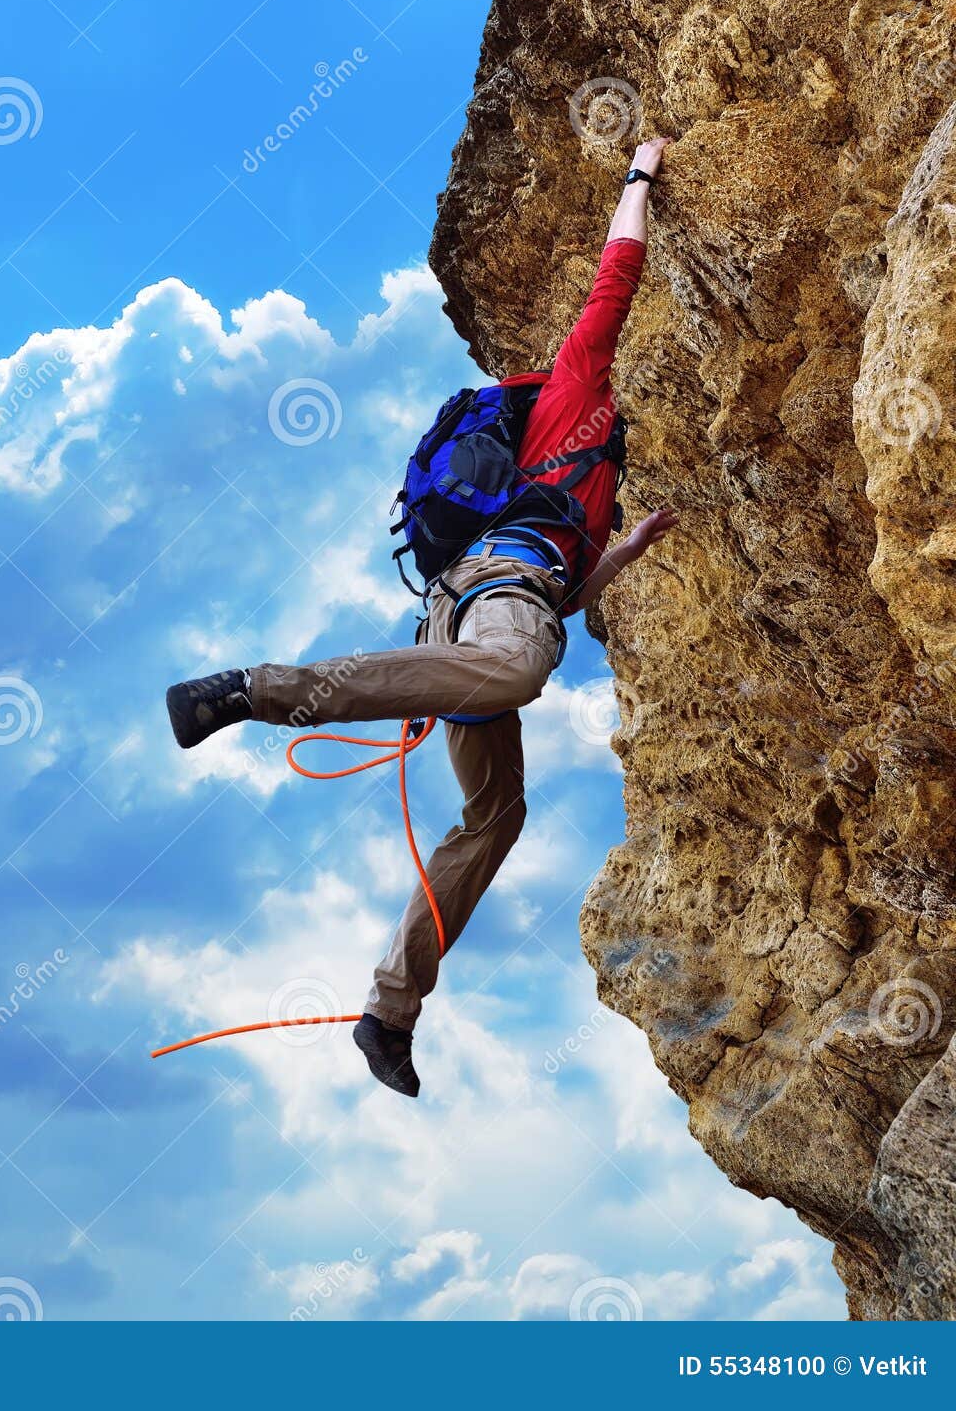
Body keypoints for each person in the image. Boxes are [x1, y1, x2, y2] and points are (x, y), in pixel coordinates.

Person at [164, 137, 679, 1098]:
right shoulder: (574, 396)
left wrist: (626, 551)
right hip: (493, 616)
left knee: (498, 812)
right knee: (522, 673)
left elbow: (558, 589)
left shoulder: (578, 495)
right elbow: (616, 282)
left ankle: (387, 1015)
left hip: (472, 618)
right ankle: (250, 690)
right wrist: (639, 177)